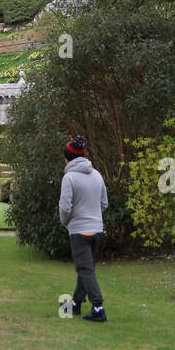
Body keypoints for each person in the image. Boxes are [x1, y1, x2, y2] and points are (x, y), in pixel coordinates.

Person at [59, 135, 108, 322]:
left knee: (86, 270)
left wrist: (67, 222)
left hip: (79, 230)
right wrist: (94, 215)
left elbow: (65, 207)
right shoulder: (97, 175)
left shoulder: (69, 178)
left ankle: (98, 307)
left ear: (67, 158)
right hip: (97, 229)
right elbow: (104, 203)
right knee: (85, 268)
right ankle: (75, 304)